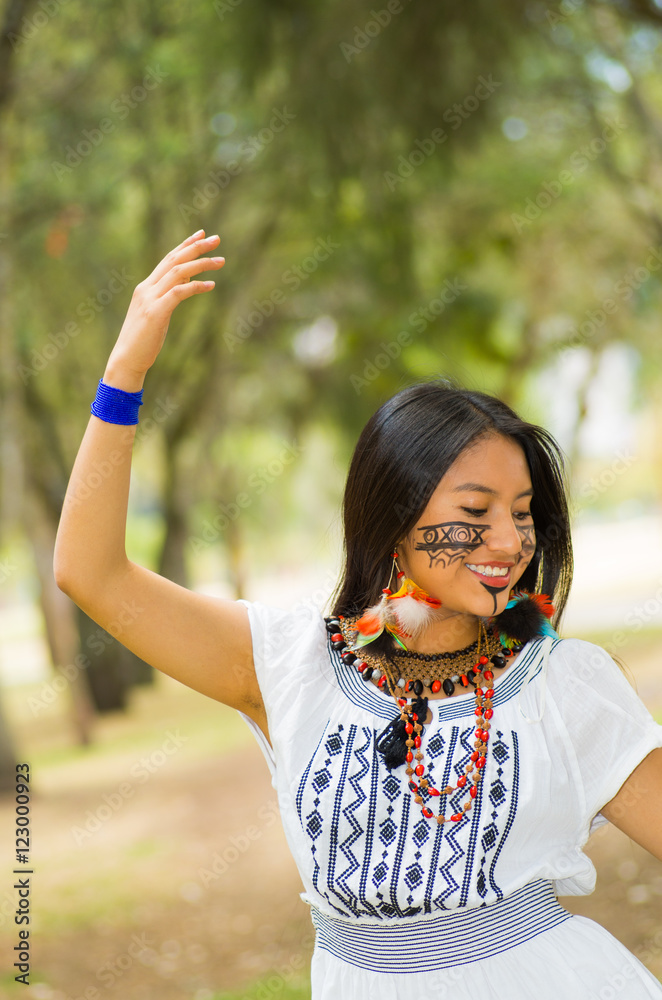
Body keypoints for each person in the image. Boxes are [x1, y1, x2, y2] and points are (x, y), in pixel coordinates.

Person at [54, 230, 662, 998]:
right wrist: (124, 374)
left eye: (523, 510)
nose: (510, 540)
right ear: (395, 517)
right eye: (475, 510)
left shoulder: (566, 686)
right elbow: (90, 573)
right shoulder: (289, 665)